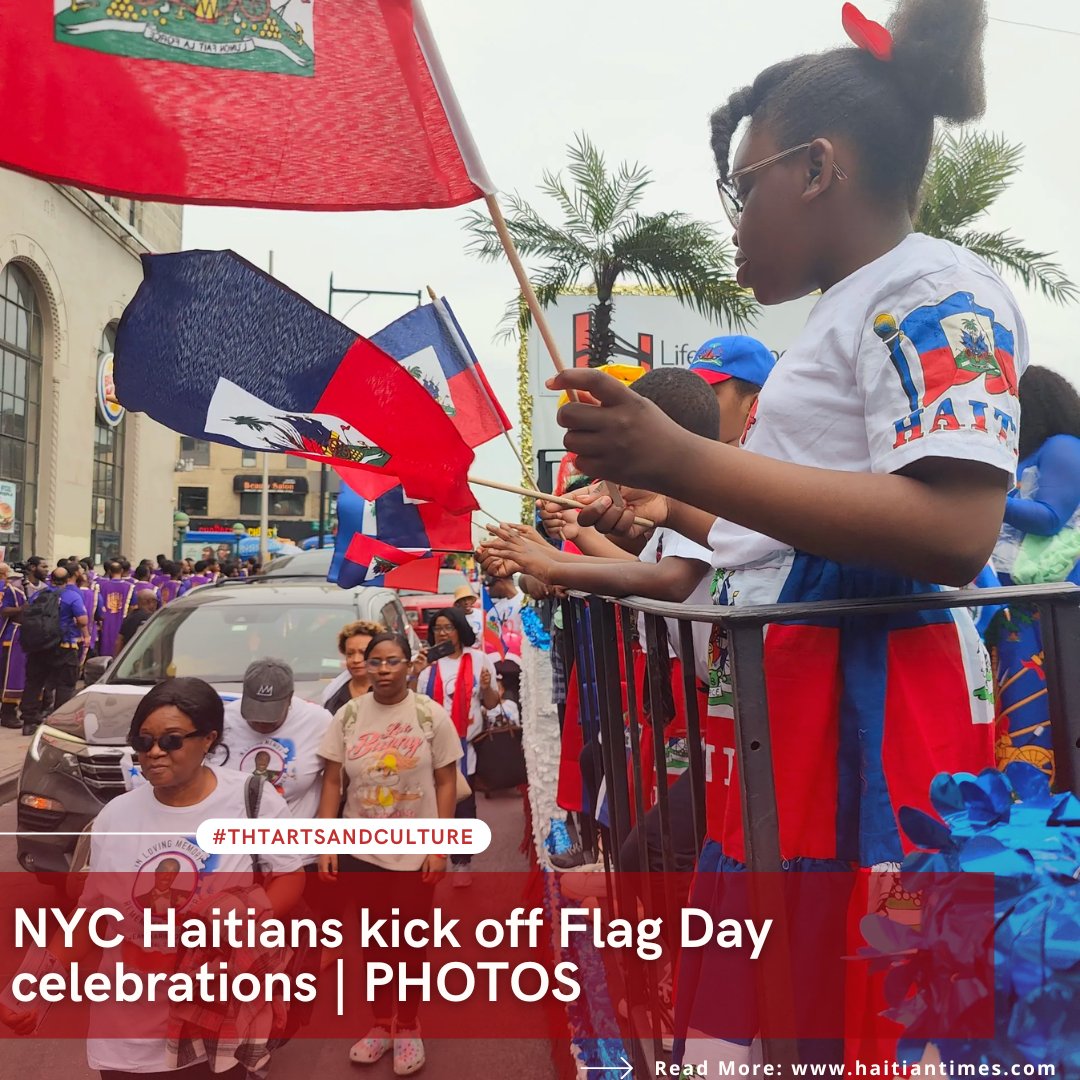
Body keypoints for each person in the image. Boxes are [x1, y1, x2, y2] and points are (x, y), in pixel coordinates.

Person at [552, 0, 1022, 1065]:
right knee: (791, 1015)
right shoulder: (852, 308)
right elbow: (775, 530)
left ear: (817, 167)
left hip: (868, 713)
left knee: (870, 1009)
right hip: (793, 709)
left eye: (741, 183)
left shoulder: (935, 291)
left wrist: (677, 463)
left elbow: (956, 525)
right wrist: (663, 497)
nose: (733, 218)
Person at [2, 677, 305, 1076]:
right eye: (143, 742)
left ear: (208, 739)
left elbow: (290, 877)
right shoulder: (116, 816)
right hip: (126, 1033)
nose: (155, 753)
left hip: (216, 1020)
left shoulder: (252, 801)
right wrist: (37, 984)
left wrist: (240, 916)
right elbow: (92, 917)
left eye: (172, 740)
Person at [316, 631, 461, 1075]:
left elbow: (446, 782)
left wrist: (440, 847)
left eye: (391, 661)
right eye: (374, 661)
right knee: (374, 941)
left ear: (408, 664)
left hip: (415, 850)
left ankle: (409, 1026)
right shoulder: (348, 715)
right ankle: (381, 1024)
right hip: (362, 849)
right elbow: (334, 782)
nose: (381, 669)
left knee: (409, 943)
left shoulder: (429, 715)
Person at [989, 365, 1080, 779]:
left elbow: (1049, 517)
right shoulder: (1018, 455)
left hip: (1049, 608)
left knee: (1036, 703)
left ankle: (1039, 800)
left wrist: (977, 496)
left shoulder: (1062, 446)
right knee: (1017, 702)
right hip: (1014, 605)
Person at [421, 607, 498, 885]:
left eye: (448, 627)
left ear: (459, 630)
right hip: (432, 747)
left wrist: (488, 688)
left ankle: (462, 861)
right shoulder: (428, 665)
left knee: (463, 801)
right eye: (437, 628)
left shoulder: (479, 660)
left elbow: (491, 703)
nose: (442, 633)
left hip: (467, 747)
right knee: (431, 802)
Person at [221, 658, 333, 839]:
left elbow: (334, 780)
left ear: (289, 699)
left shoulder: (318, 721)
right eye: (255, 712)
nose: (261, 722)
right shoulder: (223, 720)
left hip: (297, 848)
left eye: (270, 715)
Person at [18, 566, 90, 735]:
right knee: (65, 685)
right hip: (64, 647)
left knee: (34, 683)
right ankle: (57, 723)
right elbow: (83, 619)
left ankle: (28, 722)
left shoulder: (39, 594)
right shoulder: (72, 595)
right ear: (67, 580)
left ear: (50, 579)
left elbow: (26, 613)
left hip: (38, 647)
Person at [688, 334, 777, 445]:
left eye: (708, 393)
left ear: (754, 406)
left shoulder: (787, 460)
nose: (692, 402)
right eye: (690, 391)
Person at [321, 619, 384, 716]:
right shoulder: (334, 698)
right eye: (350, 654)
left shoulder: (391, 692)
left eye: (363, 653)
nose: (356, 660)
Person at [0, 562, 27, 729]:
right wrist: (22, 609)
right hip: (9, 636)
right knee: (10, 675)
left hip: (6, 636)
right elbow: (5, 611)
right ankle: (8, 713)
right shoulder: (11, 590)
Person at [96, 561, 134, 657]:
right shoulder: (130, 587)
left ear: (109, 571)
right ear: (121, 571)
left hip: (105, 622)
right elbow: (133, 607)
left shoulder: (101, 585)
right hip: (122, 621)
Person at [484, 573, 523, 658]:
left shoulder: (524, 602)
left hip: (522, 658)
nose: (488, 590)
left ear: (500, 582)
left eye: (490, 586)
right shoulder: (495, 610)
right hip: (500, 659)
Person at [114, 588, 158, 654]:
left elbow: (119, 641)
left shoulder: (128, 618)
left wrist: (116, 660)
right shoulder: (150, 618)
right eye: (156, 601)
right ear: (150, 601)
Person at [75, 562, 103, 664]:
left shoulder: (71, 593)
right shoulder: (95, 595)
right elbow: (100, 614)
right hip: (90, 632)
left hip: (72, 635)